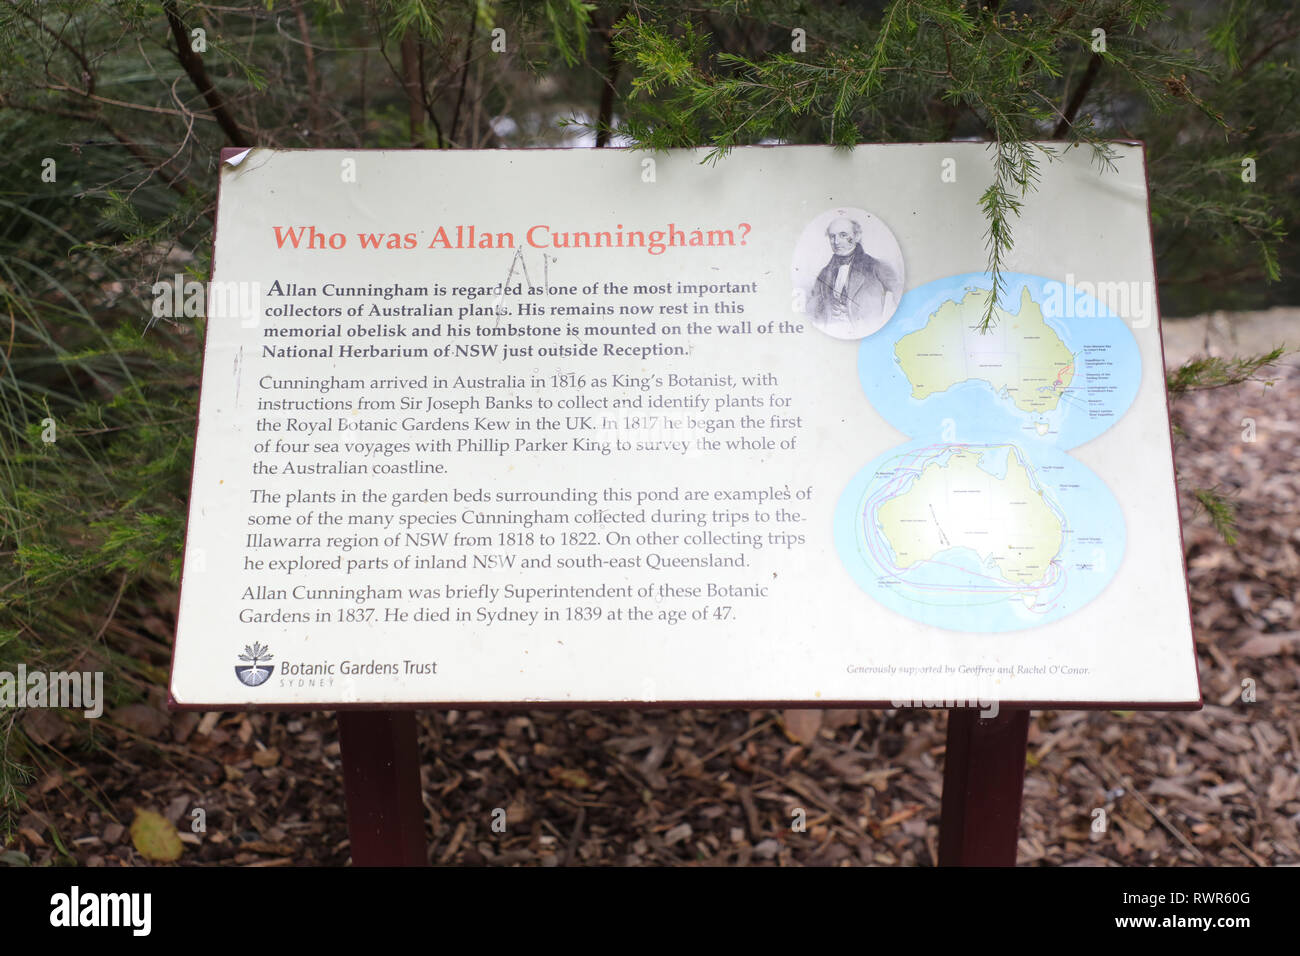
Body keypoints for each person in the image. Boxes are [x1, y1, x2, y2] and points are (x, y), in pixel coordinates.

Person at [806, 217, 901, 338]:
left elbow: (901, 297)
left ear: (857, 236)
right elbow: (812, 310)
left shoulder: (877, 267)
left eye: (843, 235)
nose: (836, 242)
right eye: (832, 236)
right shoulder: (824, 273)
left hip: (869, 335)